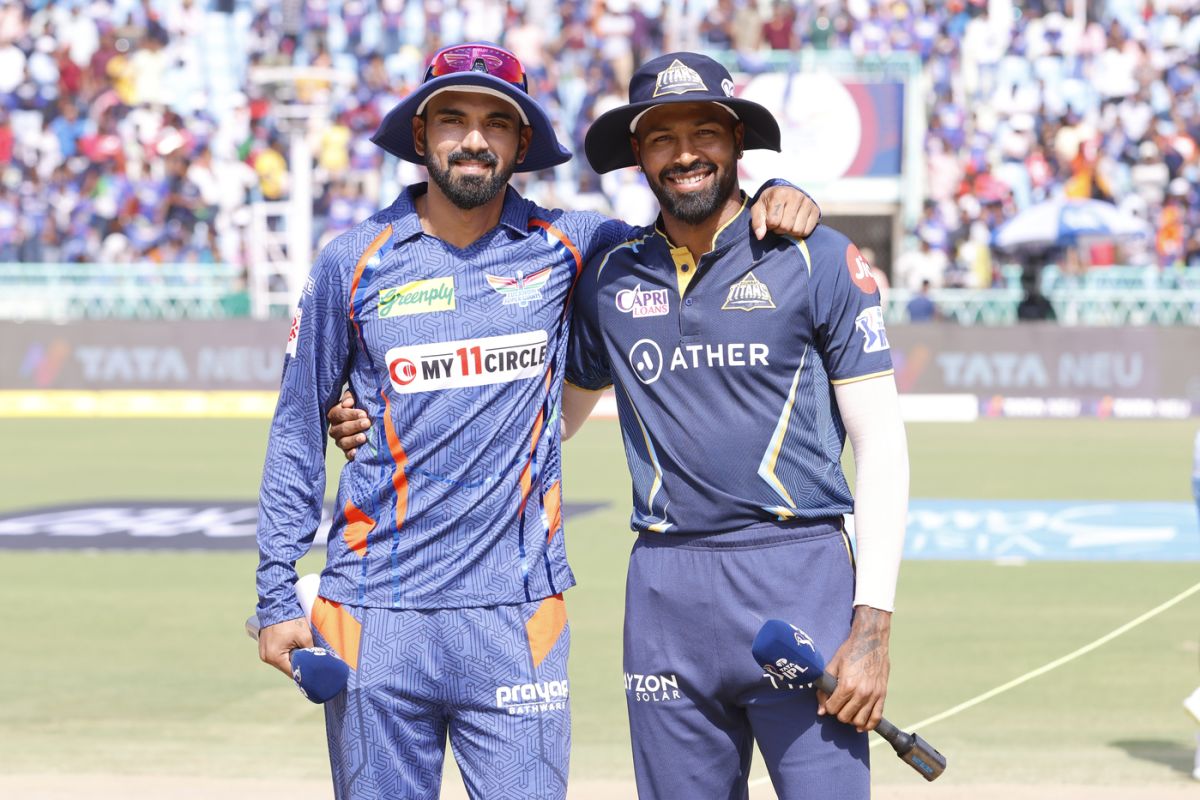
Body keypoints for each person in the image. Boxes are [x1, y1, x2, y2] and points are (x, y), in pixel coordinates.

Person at [330, 52, 907, 800]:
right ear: (637, 154)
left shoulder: (817, 256)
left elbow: (884, 447)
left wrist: (873, 629)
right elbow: (538, 421)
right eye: (662, 138)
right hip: (666, 597)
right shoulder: (608, 271)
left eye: (705, 132)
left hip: (800, 580)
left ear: (737, 143)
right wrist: (377, 410)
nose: (686, 153)